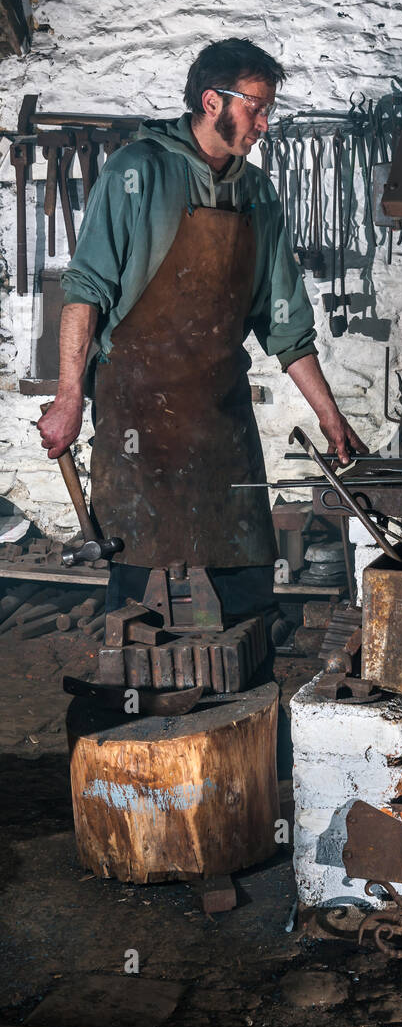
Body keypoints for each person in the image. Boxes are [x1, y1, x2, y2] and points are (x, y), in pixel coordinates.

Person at [37, 38, 368, 616]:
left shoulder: (258, 194)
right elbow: (86, 290)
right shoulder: (136, 170)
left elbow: (285, 324)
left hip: (221, 416)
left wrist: (330, 416)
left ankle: (244, 699)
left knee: (243, 580)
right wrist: (68, 396)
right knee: (143, 588)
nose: (265, 123)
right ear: (212, 101)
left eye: (270, 109)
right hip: (139, 412)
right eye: (257, 106)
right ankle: (136, 703)